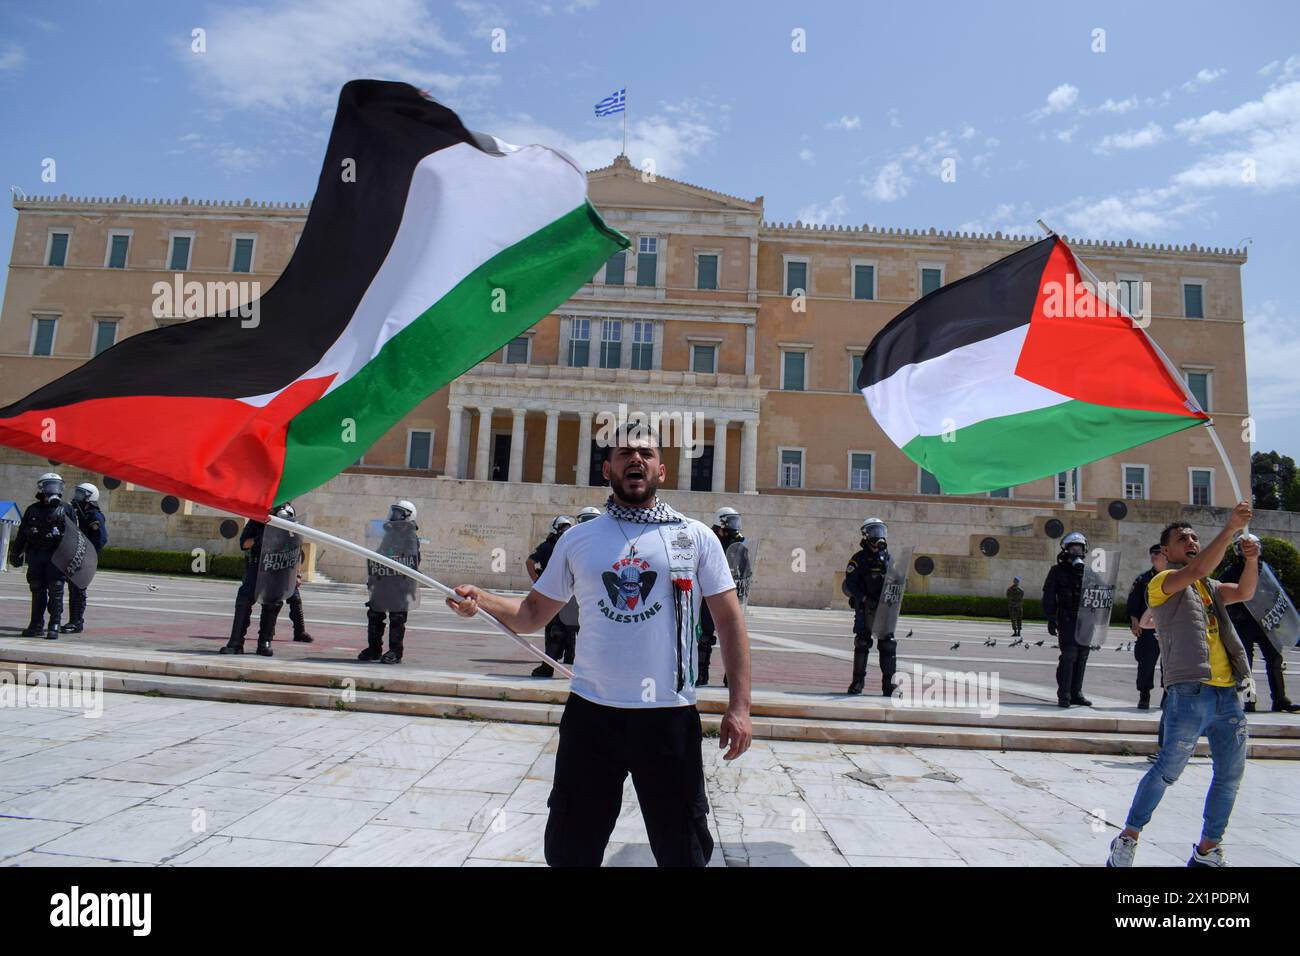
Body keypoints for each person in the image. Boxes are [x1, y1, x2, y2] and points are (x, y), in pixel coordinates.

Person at [447, 426, 752, 867]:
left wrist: (739, 706)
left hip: (668, 717)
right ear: (607, 468)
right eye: (625, 452)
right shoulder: (578, 539)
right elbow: (532, 614)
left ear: (661, 469)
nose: (636, 460)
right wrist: (483, 600)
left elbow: (729, 622)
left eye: (646, 453)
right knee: (571, 849)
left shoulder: (695, 537)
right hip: (593, 716)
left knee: (683, 849)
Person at [1107, 505, 1258, 868]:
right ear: (1166, 553)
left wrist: (1251, 559)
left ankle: (1208, 849)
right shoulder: (1162, 584)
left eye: (1194, 537)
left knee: (1230, 775)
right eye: (1182, 539)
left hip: (1227, 694)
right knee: (1168, 770)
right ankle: (1128, 836)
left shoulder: (1210, 588)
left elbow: (1247, 592)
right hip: (1190, 693)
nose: (1190, 541)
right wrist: (1230, 529)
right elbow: (1198, 568)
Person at [1219, 540, 1300, 714]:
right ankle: (1249, 700)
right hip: (1244, 623)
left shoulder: (1265, 569)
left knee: (1275, 660)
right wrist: (1235, 614)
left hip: (1265, 621)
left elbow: (1278, 591)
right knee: (1245, 663)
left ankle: (1280, 699)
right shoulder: (1231, 571)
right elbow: (1219, 595)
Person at [220, 503, 310, 656]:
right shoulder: (257, 519)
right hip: (257, 566)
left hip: (277, 567)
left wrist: (297, 574)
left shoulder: (289, 523)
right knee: (244, 599)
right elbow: (244, 543)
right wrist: (259, 540)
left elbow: (296, 549)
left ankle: (264, 643)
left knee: (273, 603)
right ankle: (236, 643)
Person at [7, 473, 77, 640]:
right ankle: (36, 624)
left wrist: (72, 558)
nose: (52, 489)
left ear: (61, 488)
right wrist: (15, 552)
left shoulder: (66, 509)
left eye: (55, 485)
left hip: (57, 558)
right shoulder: (33, 509)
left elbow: (75, 537)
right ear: (41, 488)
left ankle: (54, 624)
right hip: (36, 555)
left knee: (56, 590)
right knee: (37, 589)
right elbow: (23, 533)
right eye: (48, 485)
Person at [842, 517, 897, 696]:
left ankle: (888, 684)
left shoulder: (888, 558)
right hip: (865, 606)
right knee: (863, 642)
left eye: (880, 532)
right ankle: (857, 682)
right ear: (866, 536)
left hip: (885, 607)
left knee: (888, 644)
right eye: (873, 532)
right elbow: (850, 584)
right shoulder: (858, 559)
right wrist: (864, 598)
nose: (878, 536)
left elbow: (897, 579)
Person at [361, 499, 420, 665]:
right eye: (393, 512)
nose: (394, 516)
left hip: (400, 584)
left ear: (408, 516)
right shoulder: (388, 534)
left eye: (398, 513)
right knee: (374, 614)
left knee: (397, 618)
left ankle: (395, 651)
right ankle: (374, 648)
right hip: (383, 581)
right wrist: (373, 577)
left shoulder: (410, 537)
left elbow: (411, 560)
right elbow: (379, 555)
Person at [1042, 531, 1092, 708]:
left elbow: (1100, 595)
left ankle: (1076, 693)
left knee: (1082, 655)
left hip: (1085, 621)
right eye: (1073, 548)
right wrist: (1051, 617)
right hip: (1067, 619)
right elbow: (1049, 595)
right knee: (1069, 655)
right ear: (1066, 551)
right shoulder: (1057, 571)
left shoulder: (1089, 572)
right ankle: (1064, 694)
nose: (1076, 551)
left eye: (1079, 548)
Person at [698, 506, 745, 686]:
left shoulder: (738, 545)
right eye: (731, 522)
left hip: (729, 594)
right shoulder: (710, 540)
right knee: (705, 636)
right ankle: (702, 674)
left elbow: (744, 569)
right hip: (708, 595)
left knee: (733, 636)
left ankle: (731, 677)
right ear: (721, 523)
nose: (735, 526)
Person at [526, 515, 577, 678]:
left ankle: (549, 665)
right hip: (571, 592)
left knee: (557, 629)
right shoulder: (570, 545)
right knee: (568, 627)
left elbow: (530, 562)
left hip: (557, 592)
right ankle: (567, 658)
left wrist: (537, 582)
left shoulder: (560, 545)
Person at [60, 483, 108, 634]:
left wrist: (88, 555)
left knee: (78, 590)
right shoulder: (77, 513)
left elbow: (100, 539)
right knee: (72, 589)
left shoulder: (94, 516)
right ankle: (72, 620)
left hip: (84, 559)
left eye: (81, 494)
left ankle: (76, 622)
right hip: (74, 556)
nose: (77, 496)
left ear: (90, 497)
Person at [1127, 544, 1167, 710]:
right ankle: (1144, 695)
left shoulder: (1174, 576)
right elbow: (1133, 601)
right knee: (1146, 663)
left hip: (1169, 628)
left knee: (1170, 664)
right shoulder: (1143, 579)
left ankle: (1168, 695)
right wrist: (1134, 620)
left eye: (1157, 553)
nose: (1154, 557)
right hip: (1148, 627)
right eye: (1152, 554)